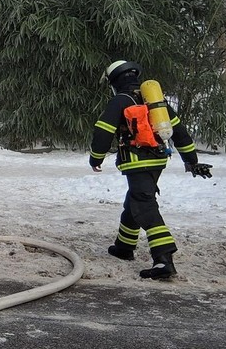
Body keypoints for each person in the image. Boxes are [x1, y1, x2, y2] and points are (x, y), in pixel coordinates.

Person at [89, 60, 212, 280]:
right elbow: (179, 132)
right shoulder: (155, 101)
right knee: (135, 199)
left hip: (136, 162)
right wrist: (191, 161)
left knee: (144, 205)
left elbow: (103, 131)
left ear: (114, 81)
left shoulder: (120, 100)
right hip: (158, 160)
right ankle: (124, 247)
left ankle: (163, 258)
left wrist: (96, 158)